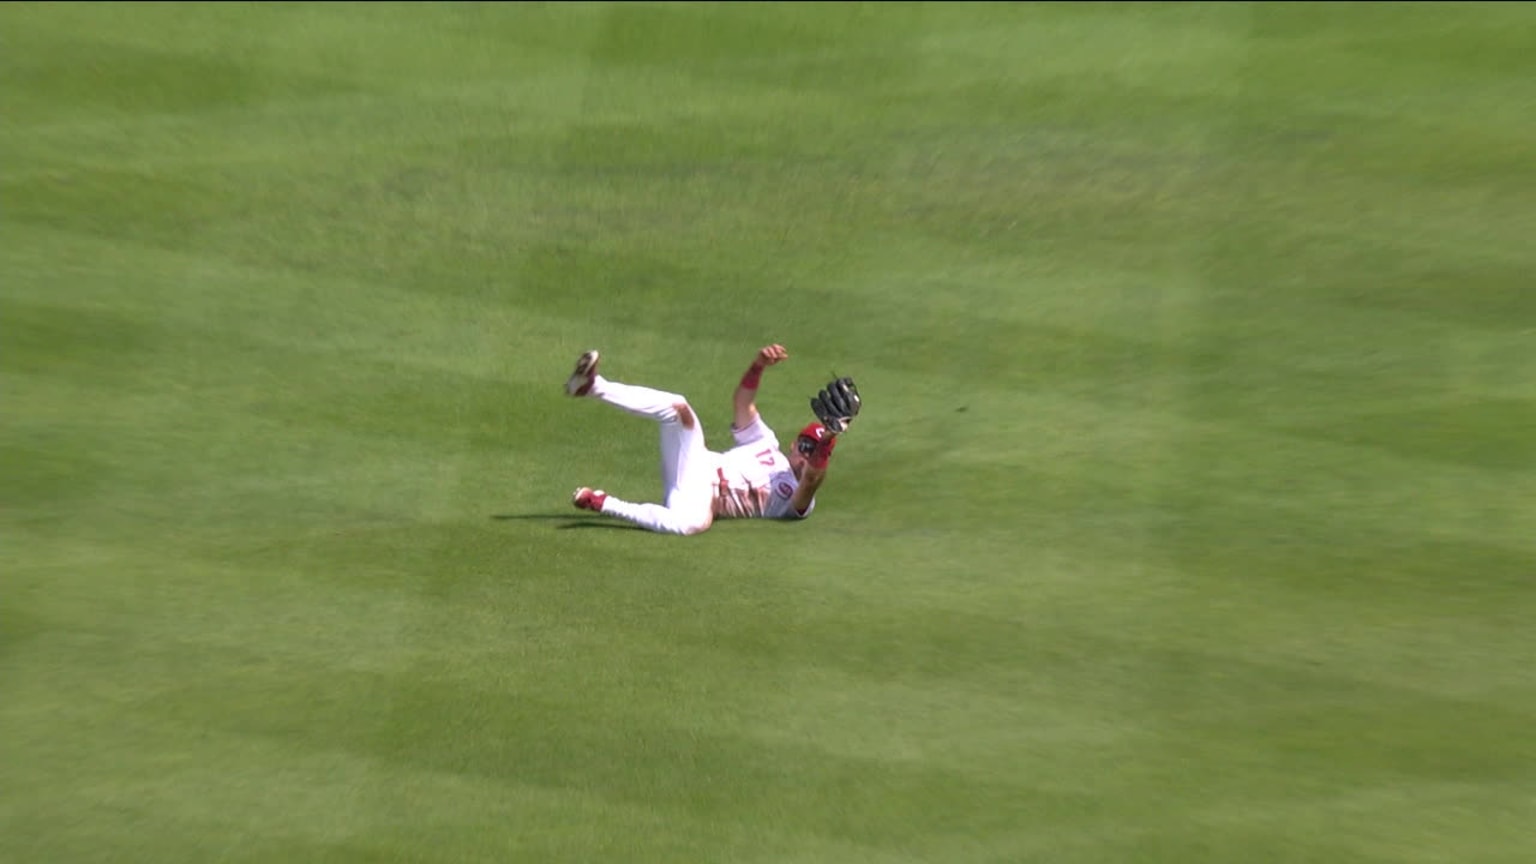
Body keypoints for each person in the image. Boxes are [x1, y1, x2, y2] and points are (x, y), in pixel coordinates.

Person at [562, 344, 839, 535]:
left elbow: (813, 478)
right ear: (794, 444)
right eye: (805, 446)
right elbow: (743, 403)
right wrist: (757, 366)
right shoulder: (766, 443)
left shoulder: (800, 499)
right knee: (678, 408)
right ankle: (594, 387)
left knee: (691, 524)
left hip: (702, 500)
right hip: (693, 463)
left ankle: (603, 503)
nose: (807, 456)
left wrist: (830, 435)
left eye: (814, 452)